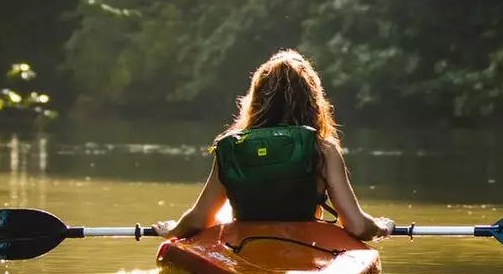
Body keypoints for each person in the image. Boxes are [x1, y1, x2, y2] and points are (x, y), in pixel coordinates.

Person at [152, 49, 394, 241]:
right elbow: (357, 226)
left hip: (244, 248)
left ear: (256, 99)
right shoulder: (323, 150)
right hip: (304, 248)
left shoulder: (234, 147)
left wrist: (173, 230)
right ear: (313, 101)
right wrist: (381, 227)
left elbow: (199, 219)